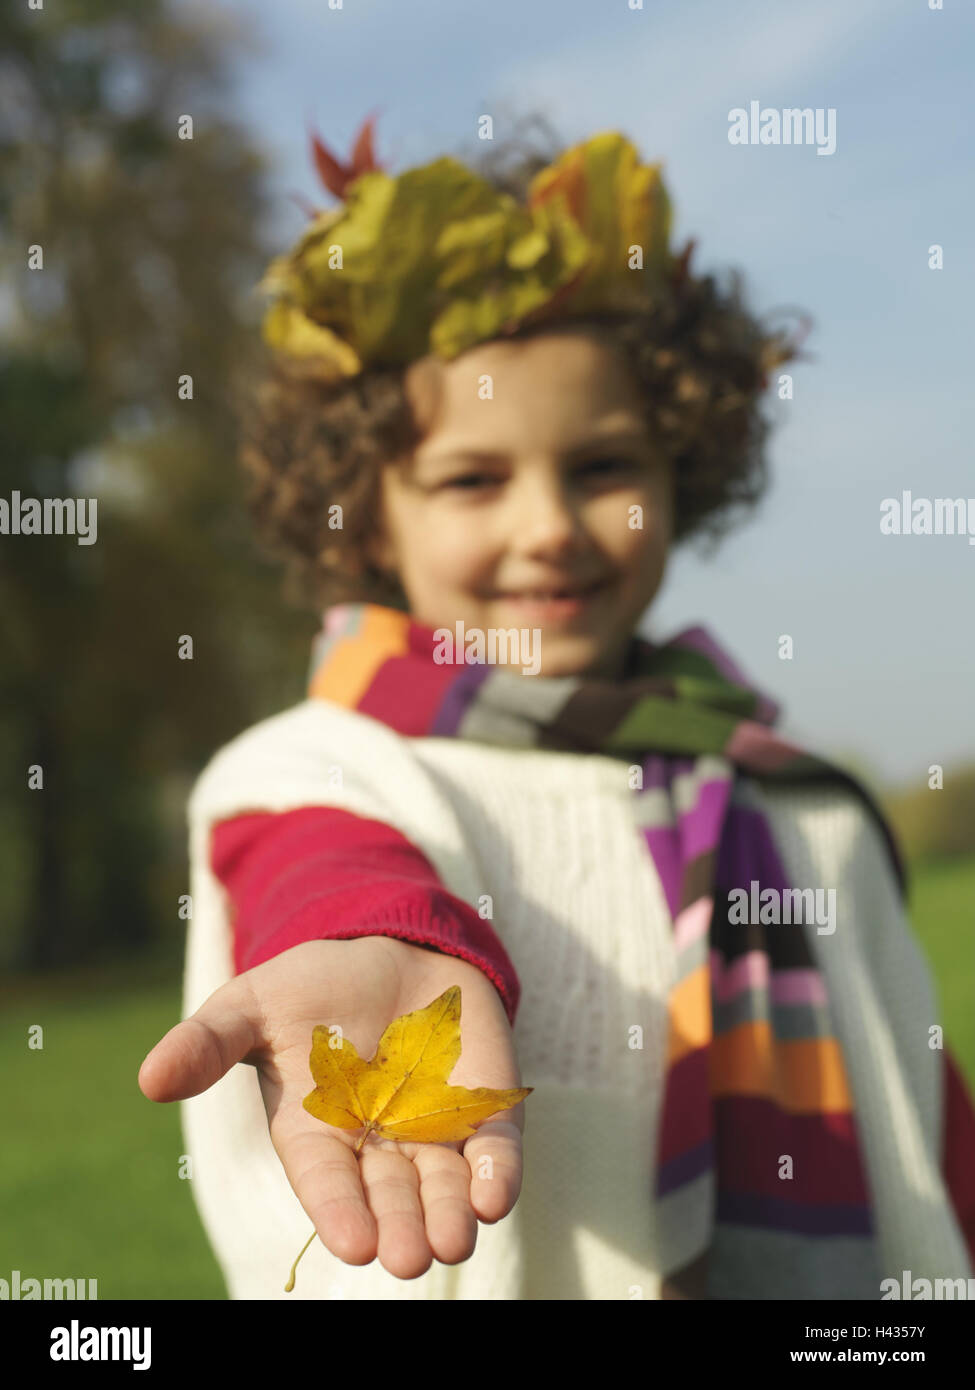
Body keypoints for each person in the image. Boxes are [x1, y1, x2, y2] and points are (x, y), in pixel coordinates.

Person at [138, 119, 975, 1300]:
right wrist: (379, 941)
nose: (548, 526)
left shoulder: (804, 808)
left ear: (686, 467)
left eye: (604, 467)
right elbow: (324, 868)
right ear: (370, 513)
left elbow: (924, 1146)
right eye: (473, 479)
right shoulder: (313, 765)